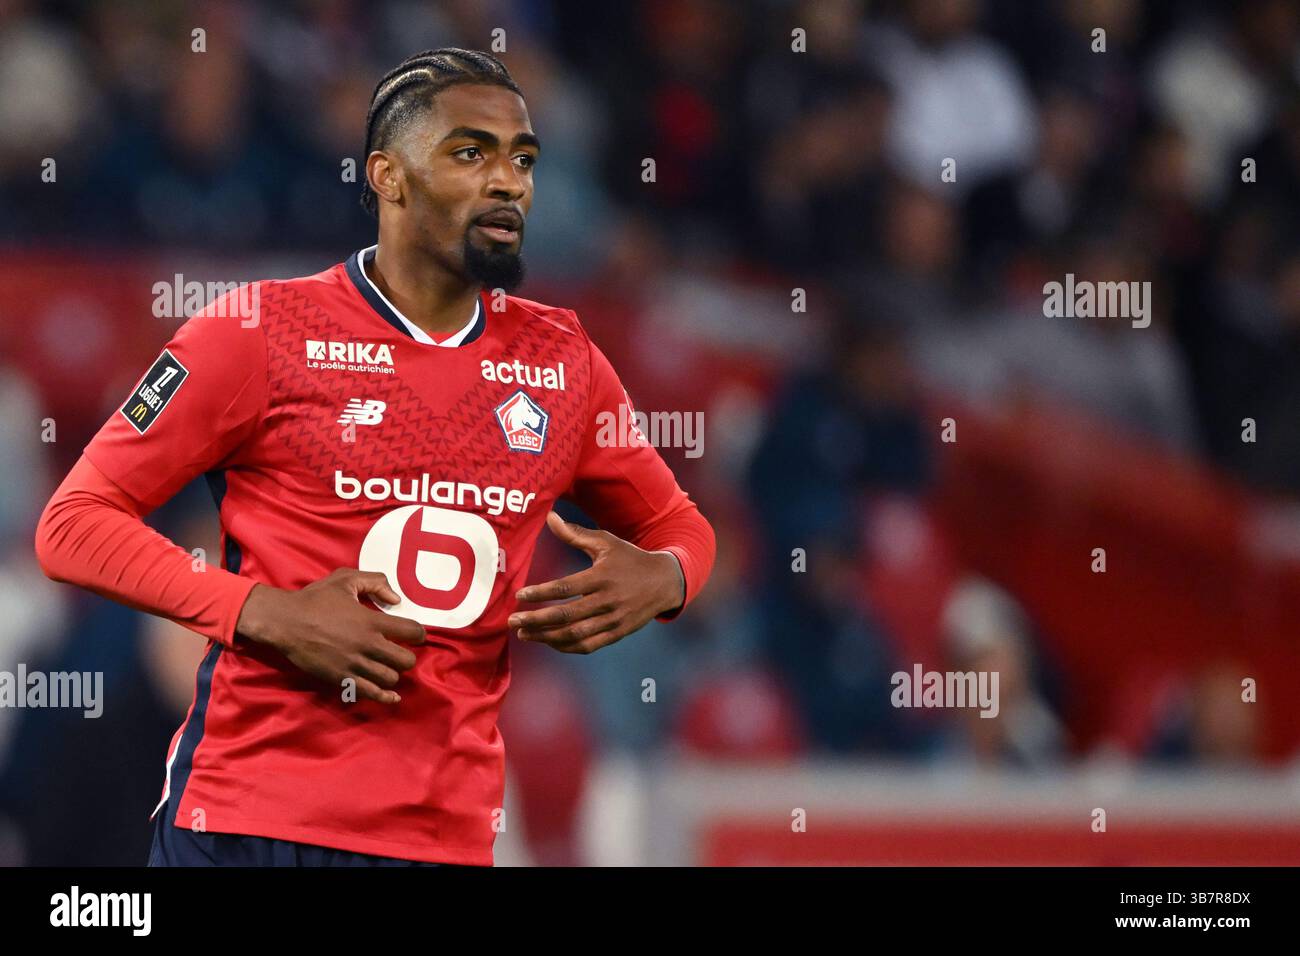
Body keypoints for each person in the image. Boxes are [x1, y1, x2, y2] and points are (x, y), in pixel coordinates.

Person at [33, 48, 715, 867]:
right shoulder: (255, 332)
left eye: (523, 159)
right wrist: (264, 613)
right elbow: (72, 524)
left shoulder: (564, 364)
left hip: (439, 841)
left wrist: (668, 577)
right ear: (389, 177)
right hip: (247, 825)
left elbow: (681, 527)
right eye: (472, 153)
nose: (509, 182)